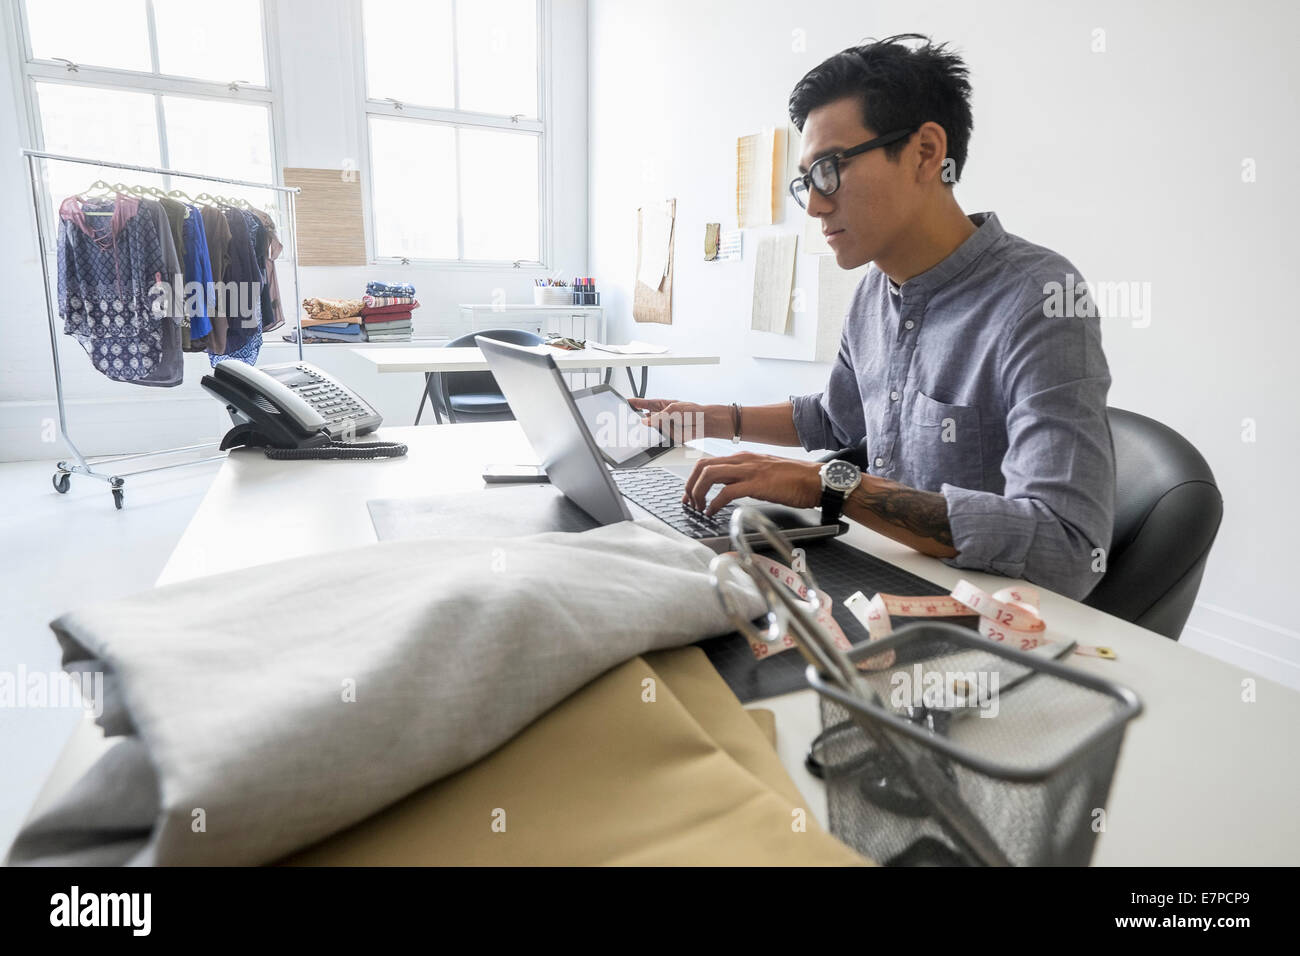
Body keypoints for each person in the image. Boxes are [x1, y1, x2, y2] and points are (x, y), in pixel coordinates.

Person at [631, 34, 1115, 601]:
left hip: (982, 615)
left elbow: (1067, 548)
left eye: (829, 170)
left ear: (927, 153)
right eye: (806, 180)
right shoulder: (871, 294)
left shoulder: (1040, 299)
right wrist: (711, 419)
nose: (813, 204)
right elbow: (838, 421)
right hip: (881, 577)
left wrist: (835, 486)